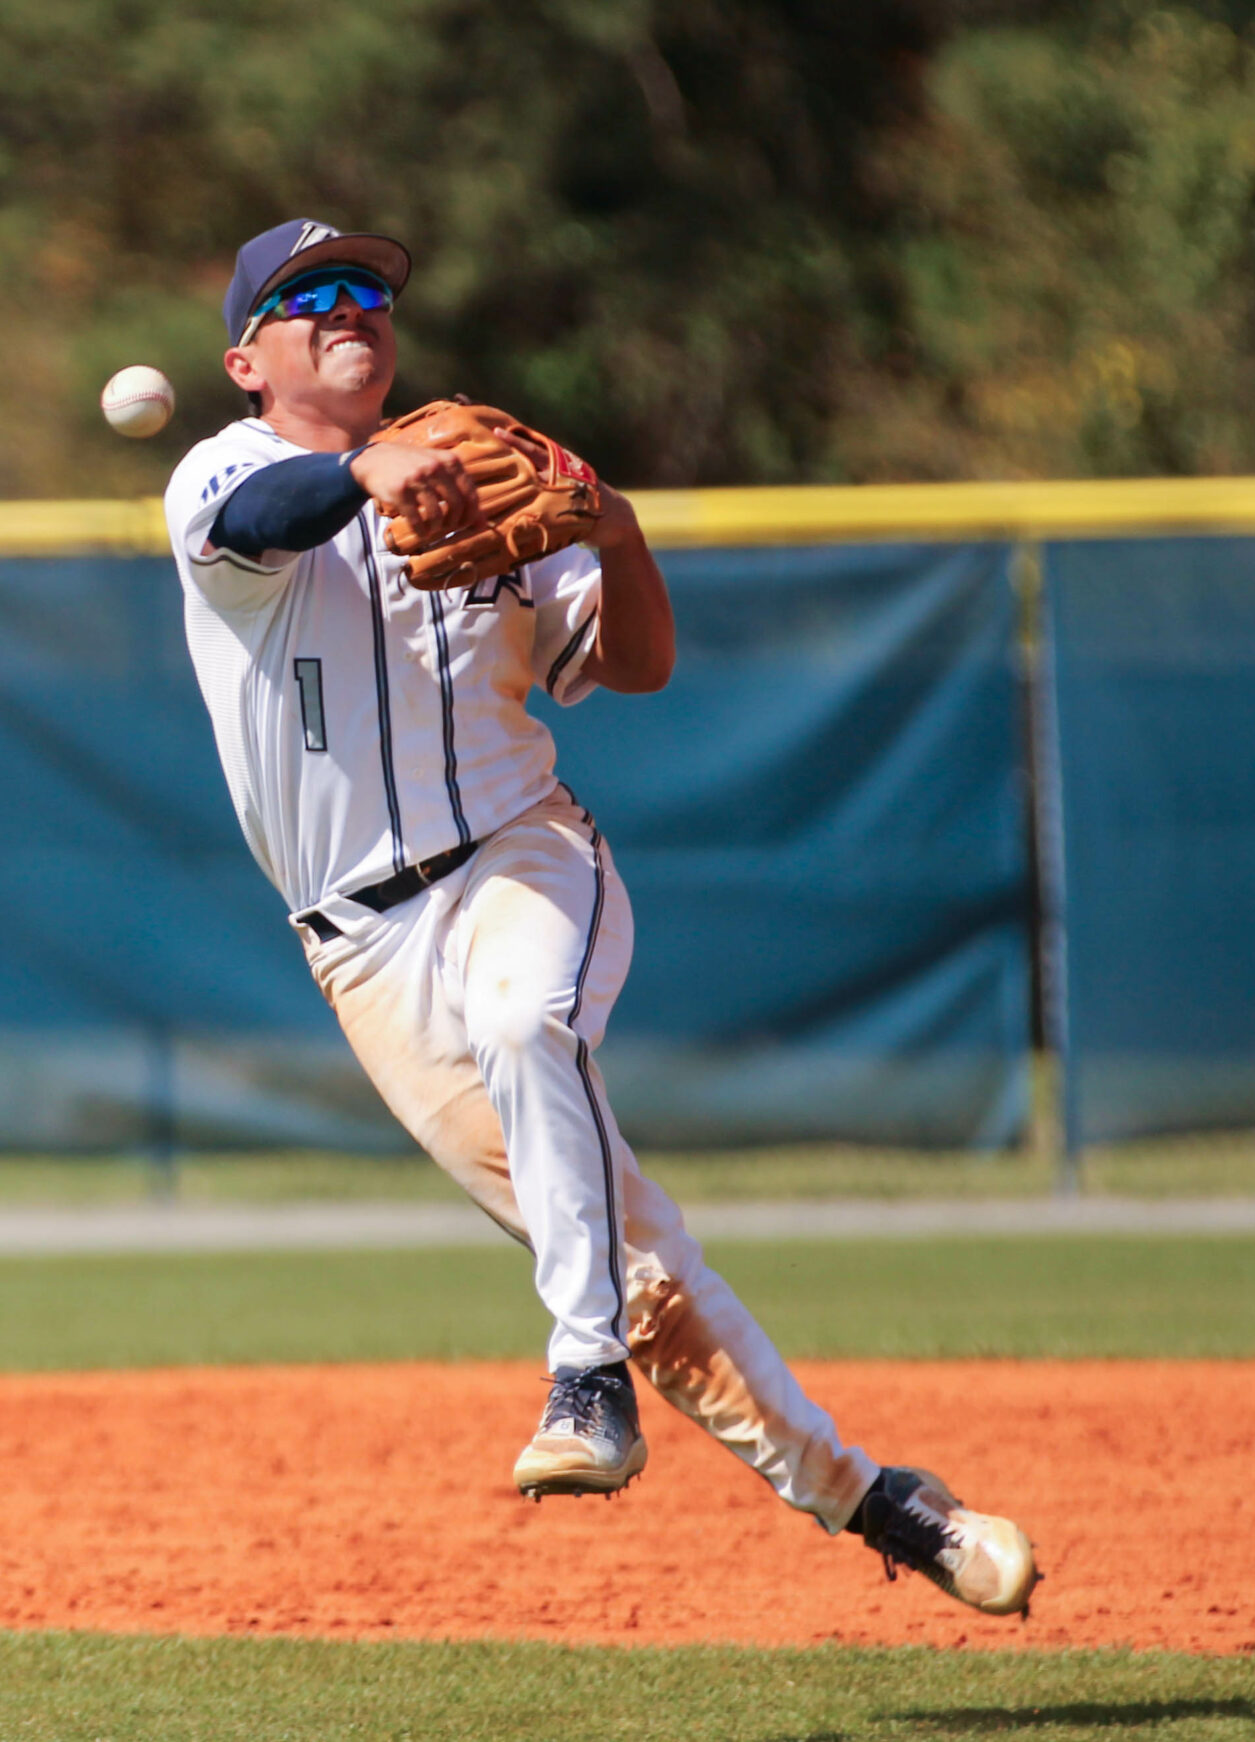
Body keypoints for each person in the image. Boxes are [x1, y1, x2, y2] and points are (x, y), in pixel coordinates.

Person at [162, 219, 1037, 1617]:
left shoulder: (481, 478)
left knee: (527, 1013)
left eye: (374, 292)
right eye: (311, 296)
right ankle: (882, 1502)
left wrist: (616, 529)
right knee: (639, 1269)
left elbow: (636, 662)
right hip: (365, 949)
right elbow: (263, 523)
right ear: (246, 358)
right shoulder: (227, 470)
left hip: (525, 856)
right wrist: (363, 467)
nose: (354, 310)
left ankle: (581, 1382)